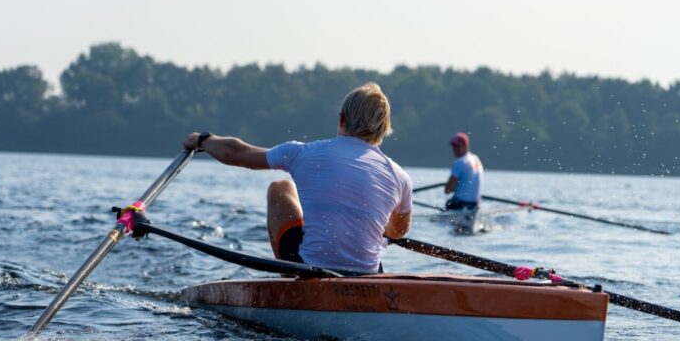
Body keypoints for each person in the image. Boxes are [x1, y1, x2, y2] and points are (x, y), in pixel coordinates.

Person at [181, 82, 412, 275]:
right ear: (384, 129)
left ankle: (289, 278)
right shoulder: (400, 177)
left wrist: (203, 140)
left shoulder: (303, 152)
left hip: (310, 271)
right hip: (367, 276)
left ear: (342, 119)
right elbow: (397, 232)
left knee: (280, 188)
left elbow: (234, 153)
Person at [443, 132, 484, 211]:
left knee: (448, 203)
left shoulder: (460, 162)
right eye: (453, 146)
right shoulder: (476, 159)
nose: (454, 149)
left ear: (466, 146)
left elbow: (448, 190)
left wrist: (447, 185)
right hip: (474, 206)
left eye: (457, 146)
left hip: (460, 205)